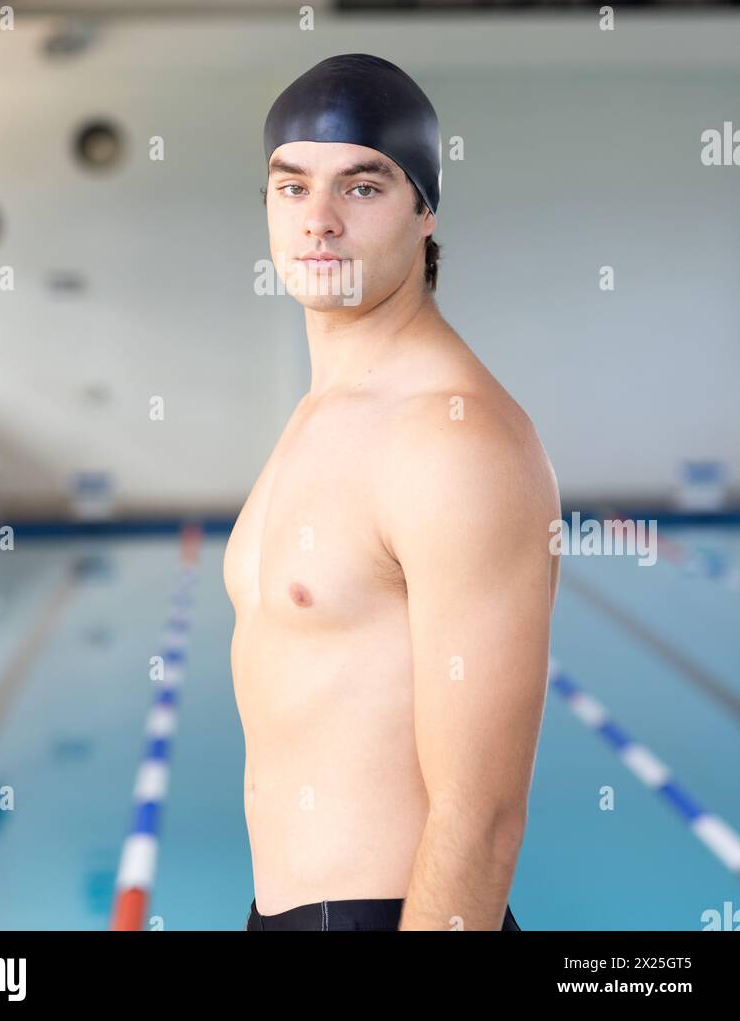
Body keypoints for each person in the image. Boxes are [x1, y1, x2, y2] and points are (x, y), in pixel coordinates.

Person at [224, 53, 560, 932]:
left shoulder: (453, 438)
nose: (319, 221)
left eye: (362, 187)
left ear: (424, 209)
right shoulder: (322, 413)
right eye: (291, 187)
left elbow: (481, 821)